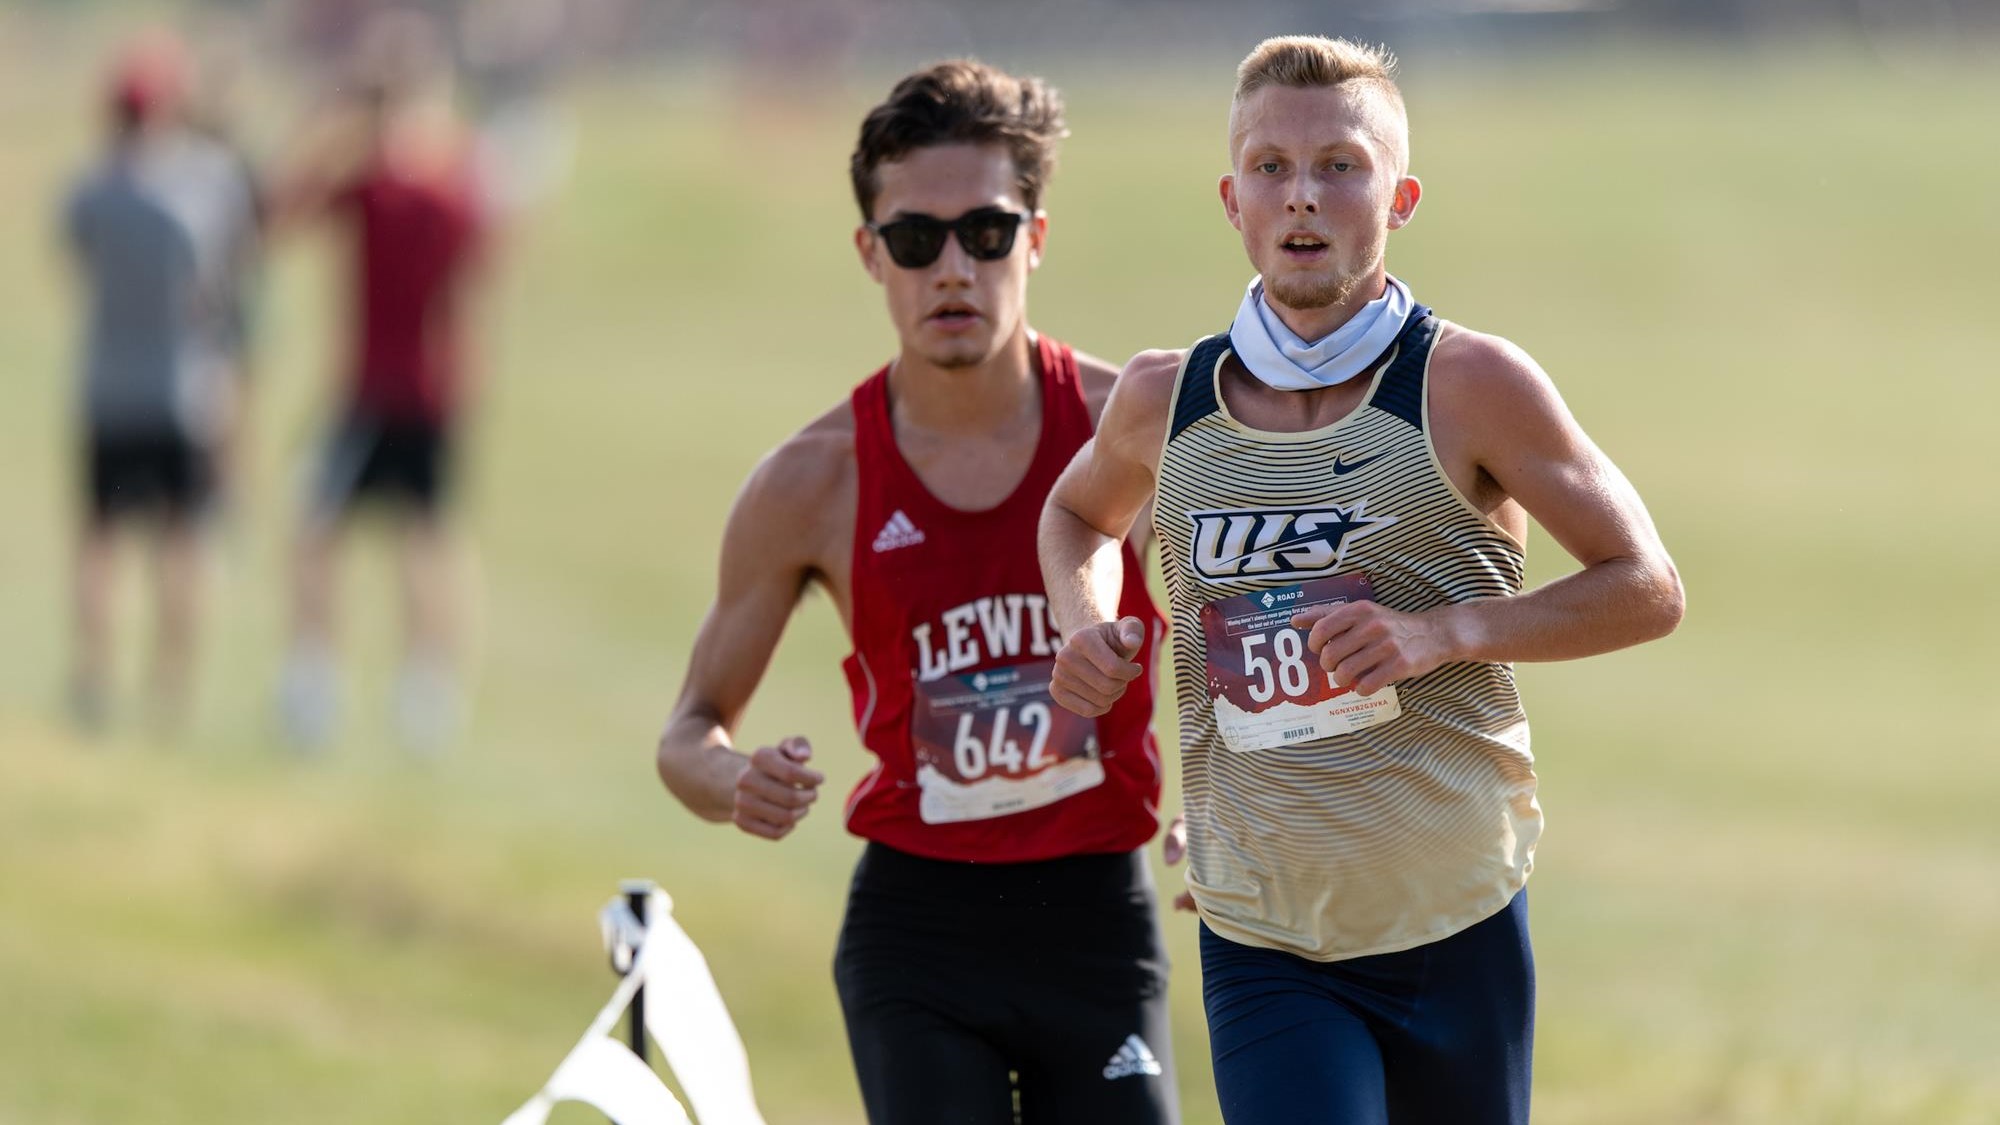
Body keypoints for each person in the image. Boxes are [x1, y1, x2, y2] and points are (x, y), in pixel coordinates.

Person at [1040, 36, 1684, 1125]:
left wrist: (1444, 632)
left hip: (1456, 914)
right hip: (1265, 931)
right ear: (1230, 199)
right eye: (1269, 167)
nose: (1302, 197)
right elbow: (1072, 516)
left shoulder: (1471, 383)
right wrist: (1082, 622)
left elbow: (1645, 586)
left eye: (1339, 165)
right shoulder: (1162, 398)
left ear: (1399, 196)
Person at [655, 60, 1180, 1125]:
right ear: (870, 254)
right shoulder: (810, 482)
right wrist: (730, 782)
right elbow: (688, 732)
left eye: (984, 234)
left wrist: (1221, 801)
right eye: (914, 238)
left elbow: (1243, 626)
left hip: (1096, 918)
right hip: (917, 937)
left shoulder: (1132, 429)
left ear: (1033, 238)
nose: (952, 267)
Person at [272, 10, 487, 751]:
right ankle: (426, 693)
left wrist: (334, 127)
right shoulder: (452, 184)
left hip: (374, 391)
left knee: (318, 527)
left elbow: (283, 211)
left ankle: (317, 684)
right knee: (427, 538)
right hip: (428, 389)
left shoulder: (376, 183)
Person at [62, 33, 260, 731]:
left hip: (109, 387)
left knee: (102, 542)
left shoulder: (90, 189)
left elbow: (76, 260)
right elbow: (232, 280)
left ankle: (93, 681)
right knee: (183, 544)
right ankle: (170, 693)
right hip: (185, 391)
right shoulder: (209, 181)